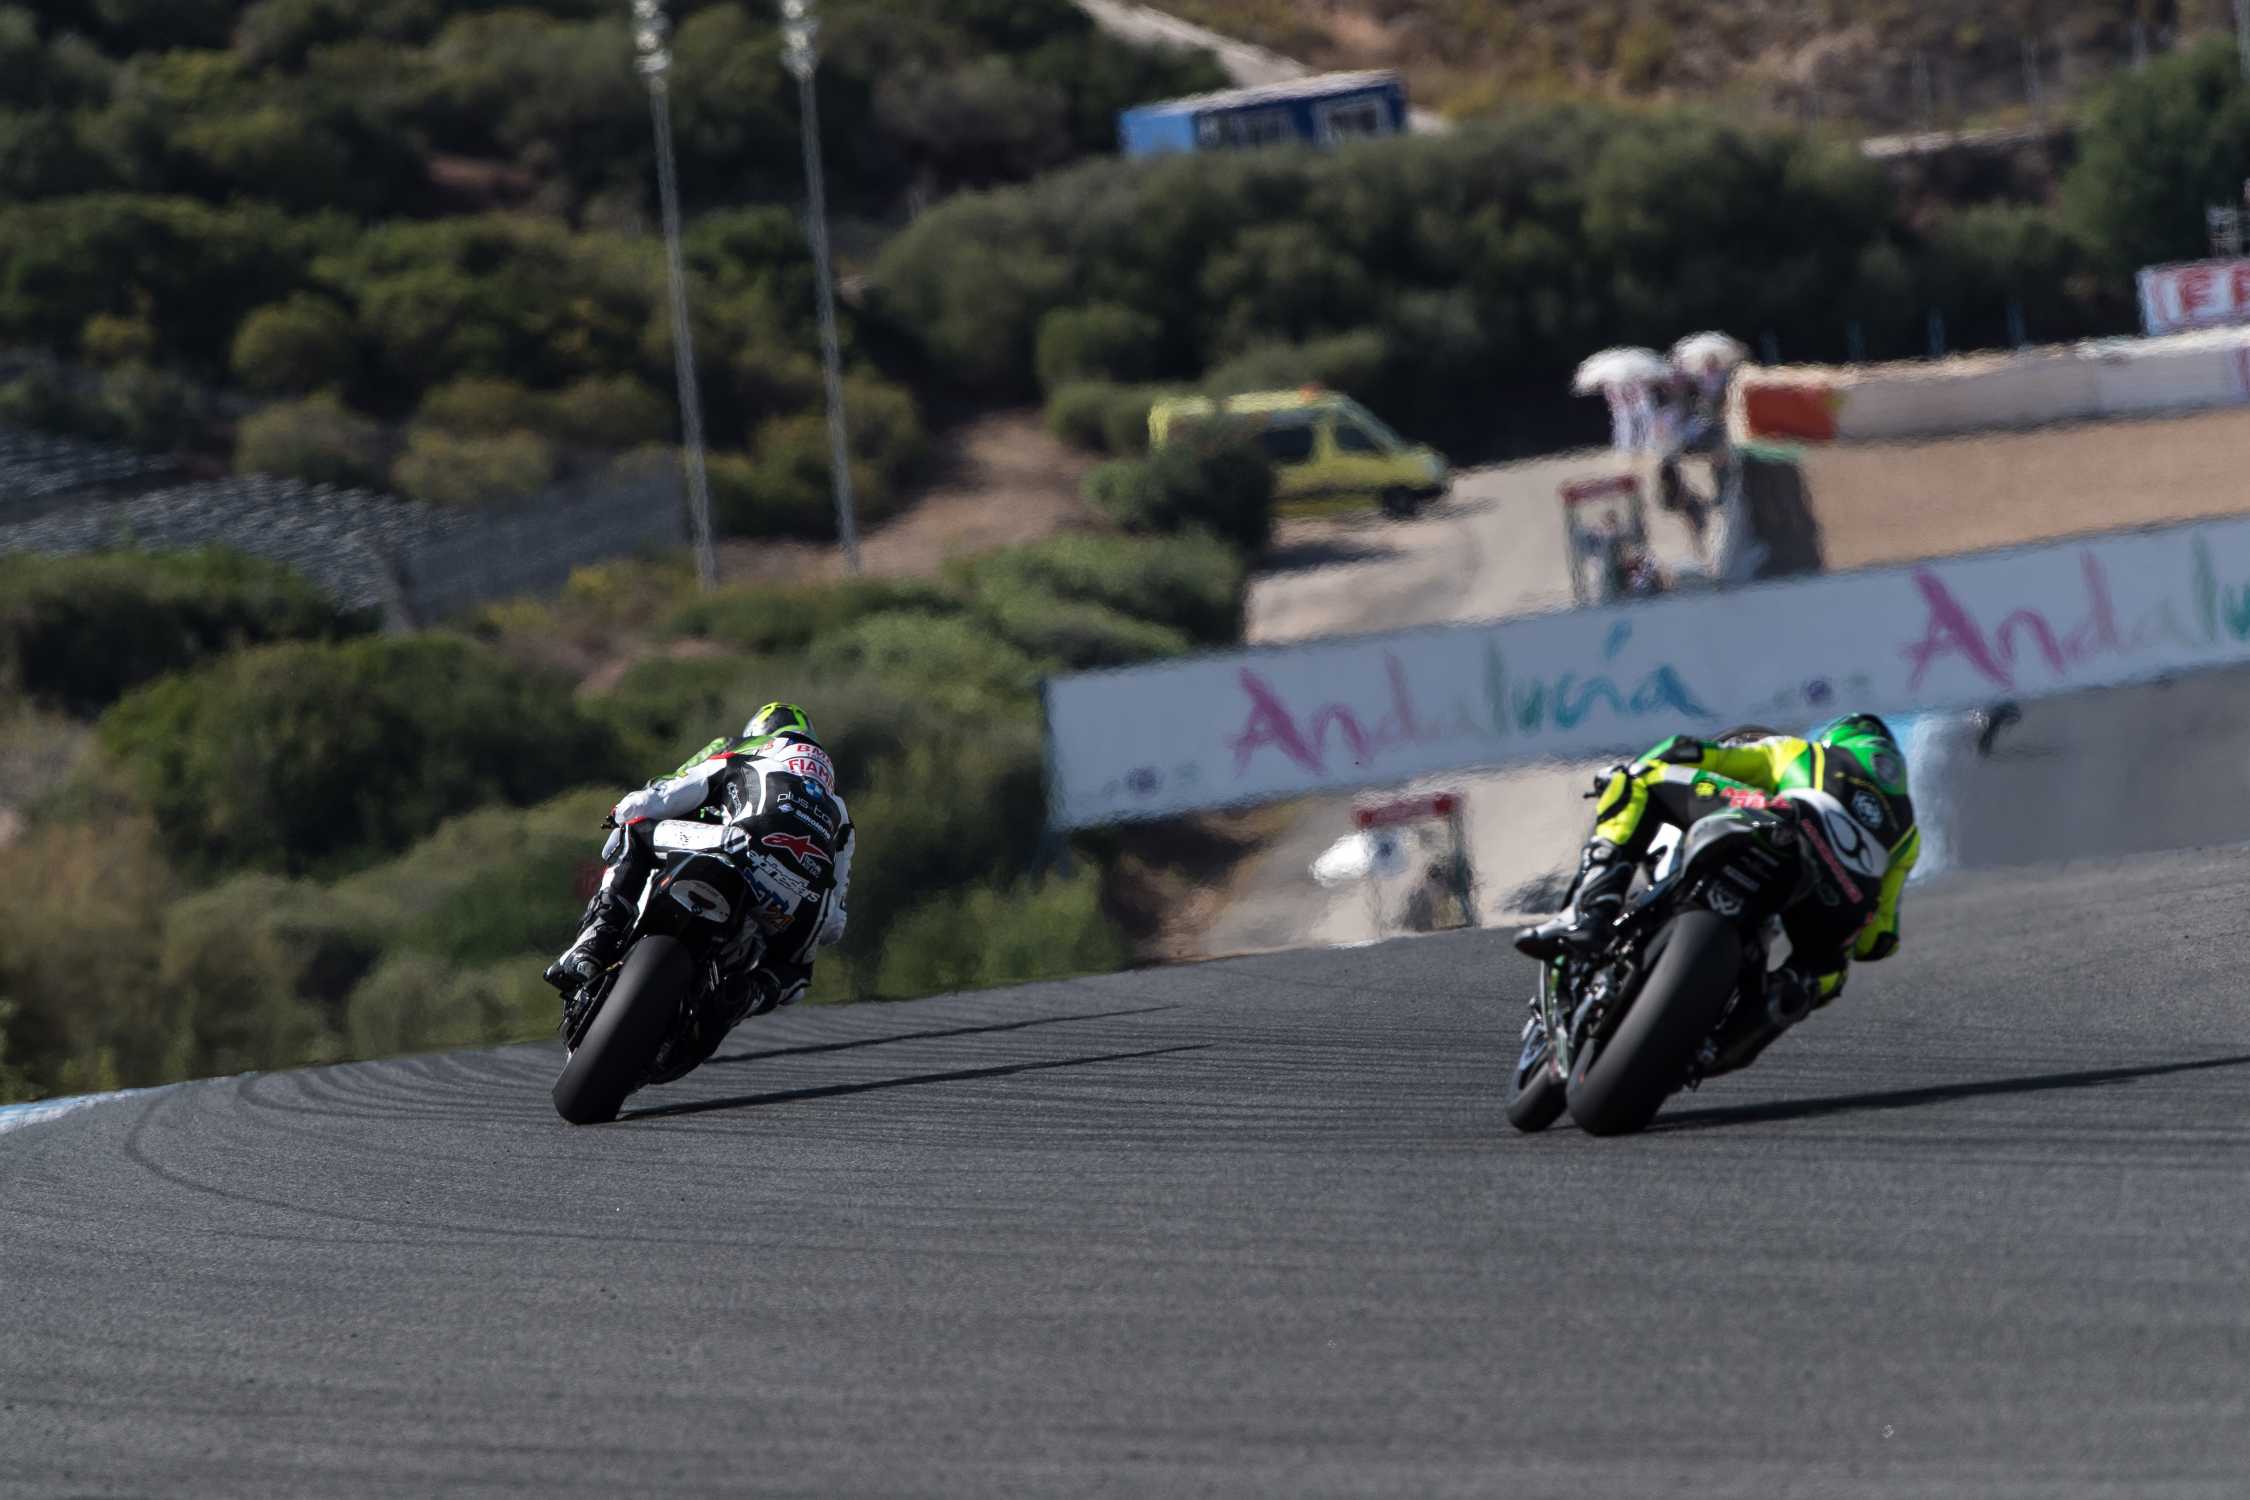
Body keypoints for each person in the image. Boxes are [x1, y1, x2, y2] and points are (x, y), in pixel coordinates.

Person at [1515, 715, 1918, 1075]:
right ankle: (1727, 1041)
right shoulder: (1908, 832)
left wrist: (1667, 757)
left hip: (1785, 823)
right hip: (1847, 896)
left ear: (1838, 740)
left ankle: (1591, 909)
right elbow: (1877, 941)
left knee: (1640, 779)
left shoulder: (1805, 752)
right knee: (1823, 974)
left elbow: (1690, 754)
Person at [546, 702, 855, 1039]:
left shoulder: (742, 754)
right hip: (801, 900)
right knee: (794, 975)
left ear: (759, 737)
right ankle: (747, 997)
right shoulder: (840, 814)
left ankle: (595, 941)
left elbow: (656, 799)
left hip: (734, 844)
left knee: (635, 832)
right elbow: (834, 924)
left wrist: (617, 816)